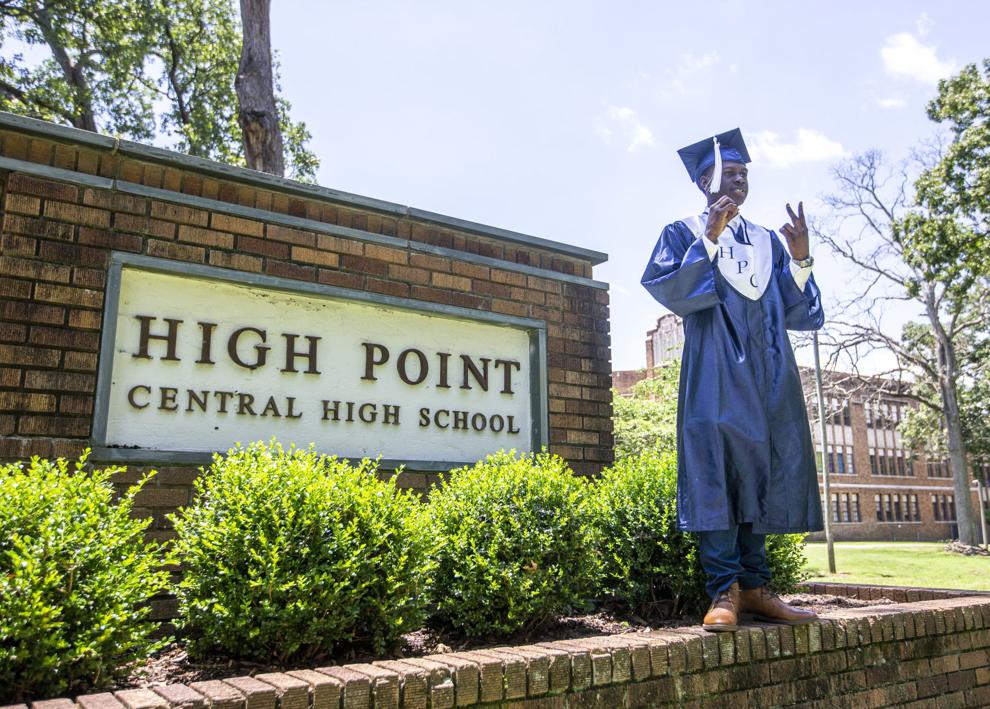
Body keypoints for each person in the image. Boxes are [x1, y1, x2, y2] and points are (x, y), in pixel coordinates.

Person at [641, 128, 824, 632]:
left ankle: (758, 589)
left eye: (744, 174)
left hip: (768, 375)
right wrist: (712, 236)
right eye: (729, 173)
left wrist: (803, 257)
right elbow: (671, 289)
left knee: (759, 471)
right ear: (704, 181)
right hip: (715, 374)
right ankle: (724, 591)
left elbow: (800, 311)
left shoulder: (767, 241)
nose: (739, 181)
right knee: (716, 471)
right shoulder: (682, 233)